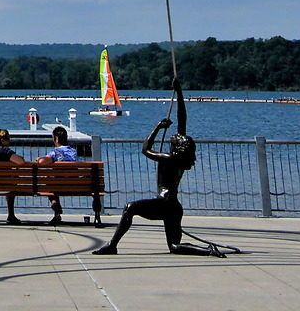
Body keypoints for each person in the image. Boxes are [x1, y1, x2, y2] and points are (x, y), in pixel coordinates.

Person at [93, 77, 219, 256]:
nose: (174, 136)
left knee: (130, 207)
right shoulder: (180, 159)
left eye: (175, 138)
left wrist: (158, 127)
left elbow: (145, 149)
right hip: (174, 206)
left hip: (164, 203)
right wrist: (179, 93)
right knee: (174, 247)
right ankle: (207, 250)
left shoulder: (169, 158)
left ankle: (112, 245)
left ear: (177, 146)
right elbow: (182, 119)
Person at [34, 124, 77, 224]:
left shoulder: (56, 152)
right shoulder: (73, 152)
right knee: (52, 179)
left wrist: (39, 159)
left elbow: (41, 162)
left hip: (57, 185)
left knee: (47, 180)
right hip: (74, 184)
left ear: (56, 139)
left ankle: (54, 203)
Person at [0, 128, 28, 224]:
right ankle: (11, 215)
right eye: (8, 138)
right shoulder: (4, 151)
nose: (10, 140)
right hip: (5, 185)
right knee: (13, 181)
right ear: (2, 140)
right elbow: (21, 161)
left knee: (11, 180)